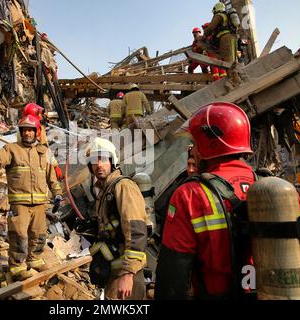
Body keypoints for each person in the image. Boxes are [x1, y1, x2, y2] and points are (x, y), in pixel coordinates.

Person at [155, 102, 255, 300]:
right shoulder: (276, 189)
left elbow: (173, 276)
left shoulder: (190, 194)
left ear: (208, 143)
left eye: (194, 143)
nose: (192, 150)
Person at [0, 115, 63, 280]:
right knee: (19, 236)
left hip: (39, 203)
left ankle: (35, 260)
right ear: (21, 132)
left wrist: (57, 193)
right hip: (20, 204)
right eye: (25, 130)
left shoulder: (44, 152)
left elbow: (51, 177)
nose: (28, 133)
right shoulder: (12, 149)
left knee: (39, 235)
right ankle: (17, 267)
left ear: (37, 132)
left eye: (31, 130)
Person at [86, 137, 147, 299]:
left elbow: (136, 231)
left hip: (126, 274)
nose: (99, 164)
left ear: (113, 161)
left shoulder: (123, 186)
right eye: (94, 160)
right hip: (113, 272)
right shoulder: (104, 190)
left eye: (103, 159)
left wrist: (128, 274)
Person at [22, 103, 63, 181]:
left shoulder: (22, 129)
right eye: (40, 114)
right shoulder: (37, 130)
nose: (41, 116)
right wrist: (55, 166)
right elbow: (45, 150)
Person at [202, 3, 238, 76]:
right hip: (233, 38)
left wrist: (204, 35)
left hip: (225, 39)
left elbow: (211, 28)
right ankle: (237, 76)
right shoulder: (227, 16)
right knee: (234, 60)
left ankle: (232, 79)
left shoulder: (219, 15)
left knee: (227, 61)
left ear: (216, 9)